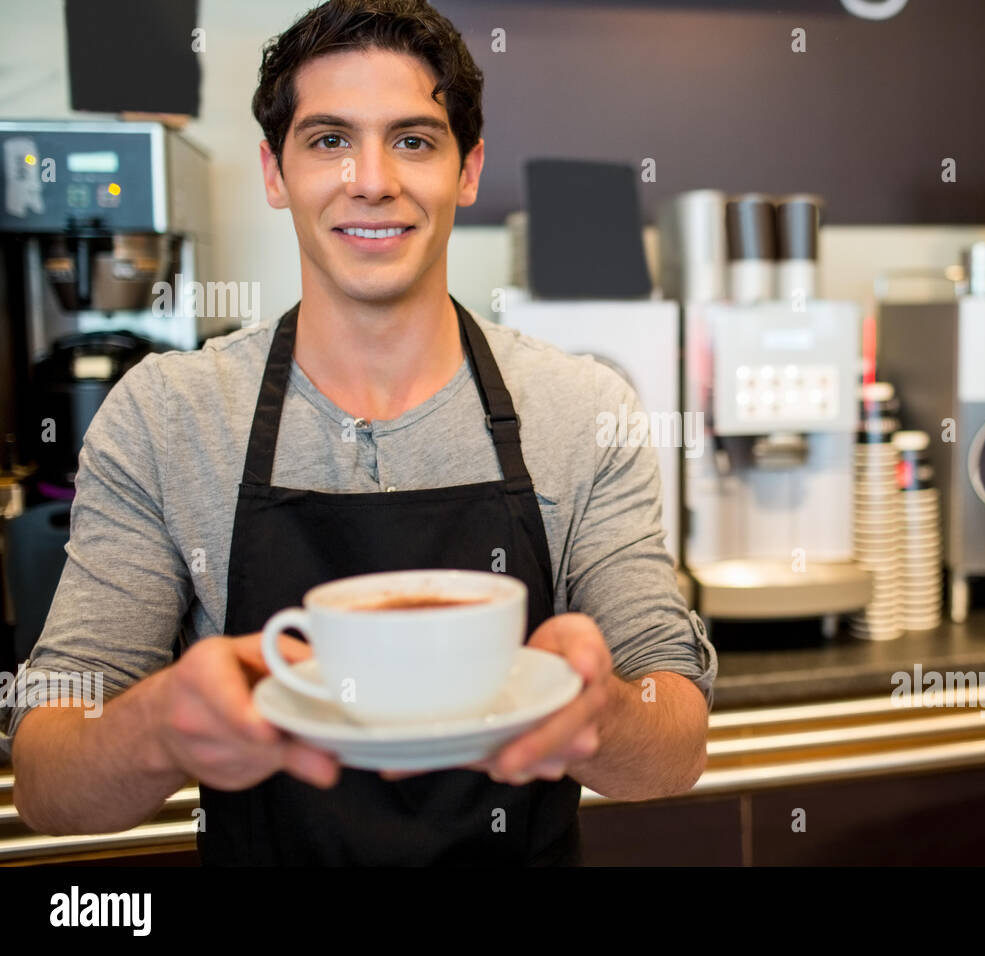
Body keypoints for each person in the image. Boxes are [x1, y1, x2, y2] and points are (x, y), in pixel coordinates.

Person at [2, 0, 716, 866]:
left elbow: (674, 745)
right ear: (275, 172)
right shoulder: (166, 416)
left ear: (468, 169)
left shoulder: (578, 410)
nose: (372, 179)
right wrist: (154, 729)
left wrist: (601, 713)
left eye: (414, 140)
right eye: (330, 139)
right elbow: (46, 779)